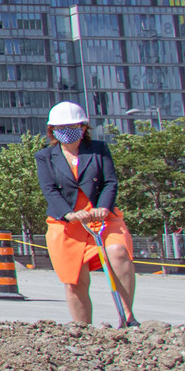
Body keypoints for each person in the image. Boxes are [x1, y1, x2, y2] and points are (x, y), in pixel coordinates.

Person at [35, 102, 139, 326]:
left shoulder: (98, 150)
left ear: (83, 128)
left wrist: (104, 207)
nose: (67, 131)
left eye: (72, 126)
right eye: (60, 127)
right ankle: (83, 330)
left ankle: (128, 318)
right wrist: (68, 214)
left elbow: (110, 182)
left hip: (101, 218)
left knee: (118, 252)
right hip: (67, 223)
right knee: (75, 280)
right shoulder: (45, 156)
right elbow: (49, 190)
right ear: (52, 130)